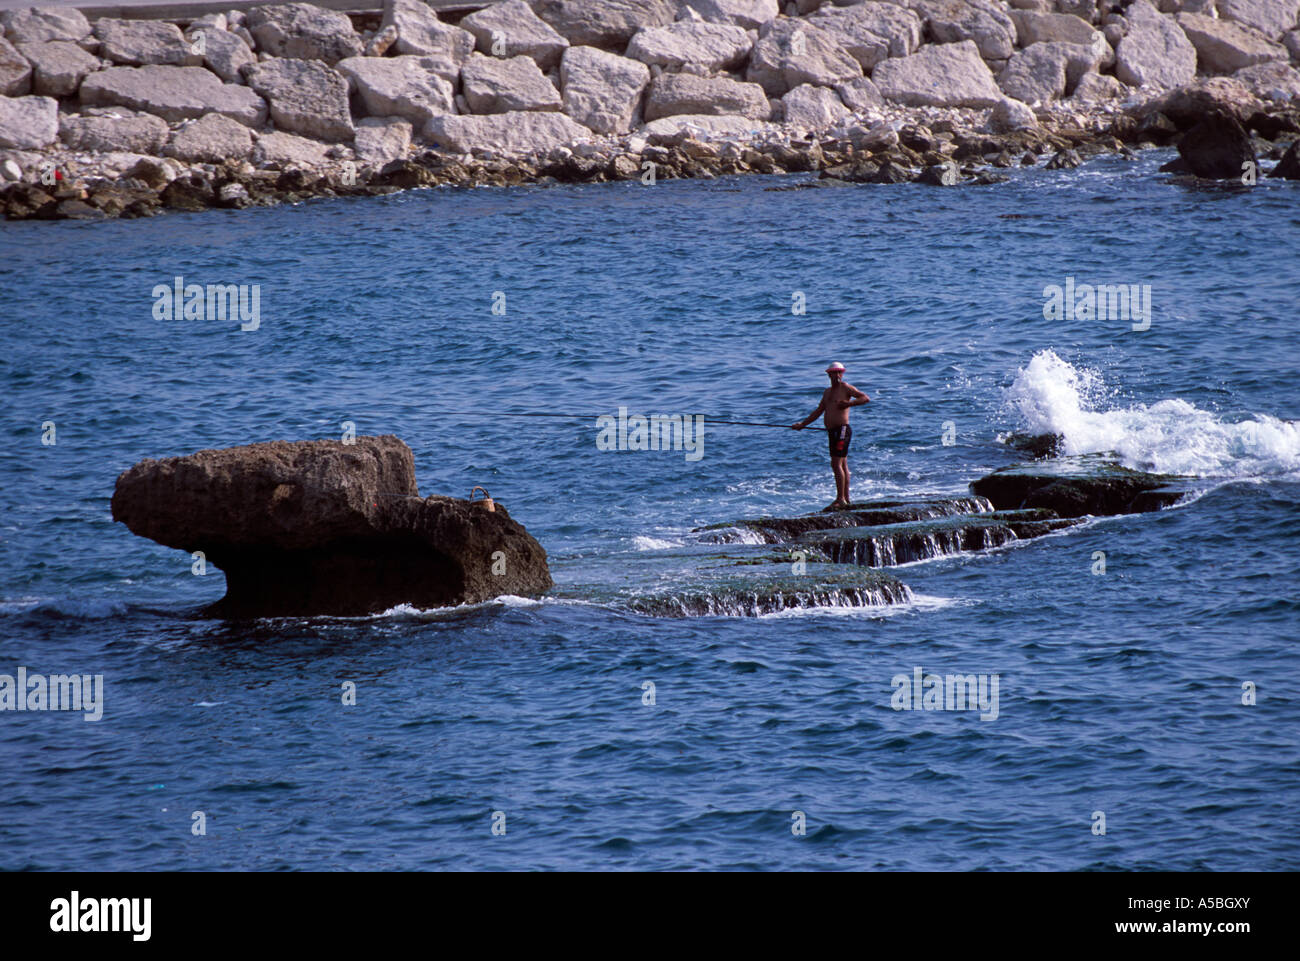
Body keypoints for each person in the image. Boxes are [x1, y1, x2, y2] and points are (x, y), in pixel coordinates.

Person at [791, 362, 870, 511]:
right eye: (834, 372)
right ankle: (845, 499)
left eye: (840, 372)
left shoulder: (846, 387)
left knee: (836, 464)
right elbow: (819, 411)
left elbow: (865, 398)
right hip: (832, 431)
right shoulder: (827, 392)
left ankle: (840, 499)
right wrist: (802, 424)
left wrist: (848, 404)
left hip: (842, 430)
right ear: (829, 374)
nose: (838, 375)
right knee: (842, 464)